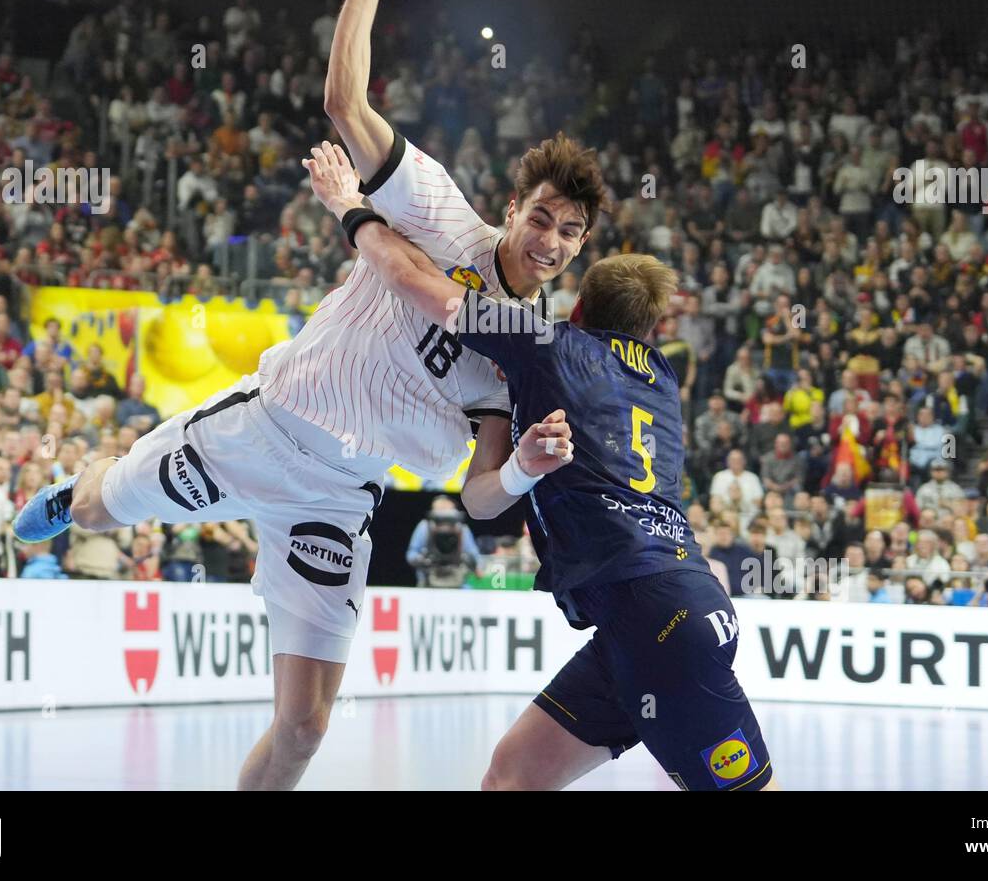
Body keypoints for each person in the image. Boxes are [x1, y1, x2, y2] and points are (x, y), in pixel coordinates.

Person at [11, 0, 602, 793]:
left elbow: (478, 497)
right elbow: (344, 102)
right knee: (101, 514)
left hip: (339, 497)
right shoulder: (440, 211)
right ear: (513, 210)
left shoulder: (526, 357)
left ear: (582, 247)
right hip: (263, 428)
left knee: (304, 726)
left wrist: (521, 471)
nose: (549, 241)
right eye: (541, 217)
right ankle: (76, 489)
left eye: (569, 232)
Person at [305, 139, 775, 792]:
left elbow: (419, 285)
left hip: (654, 619)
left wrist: (350, 207)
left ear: (577, 308)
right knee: (511, 775)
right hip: (656, 613)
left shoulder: (546, 341)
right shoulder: (664, 379)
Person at [406, 496, 481, 587]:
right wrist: (423, 560)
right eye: (440, 510)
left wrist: (474, 565)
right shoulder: (424, 527)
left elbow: (474, 555)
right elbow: (411, 554)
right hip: (428, 582)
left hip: (458, 582)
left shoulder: (462, 529)